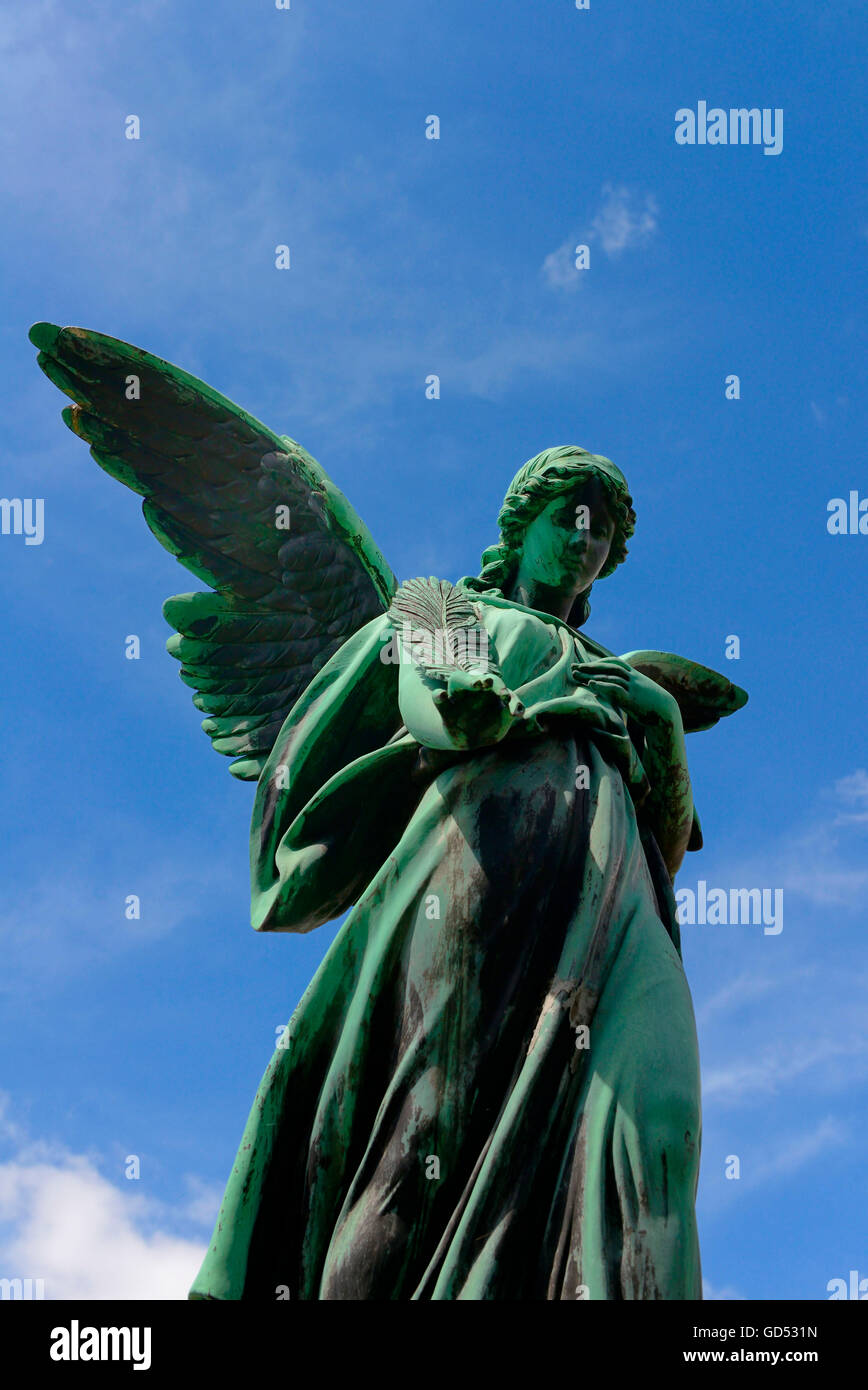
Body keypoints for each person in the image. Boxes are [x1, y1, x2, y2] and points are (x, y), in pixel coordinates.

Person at [190, 445, 704, 1300]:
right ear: (521, 526)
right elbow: (441, 705)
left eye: (603, 533)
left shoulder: (620, 679)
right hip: (475, 874)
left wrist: (665, 728)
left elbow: (669, 844)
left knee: (661, 1122)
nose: (585, 541)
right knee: (419, 1150)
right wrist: (471, 702)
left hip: (618, 911)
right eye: (569, 518)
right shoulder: (447, 607)